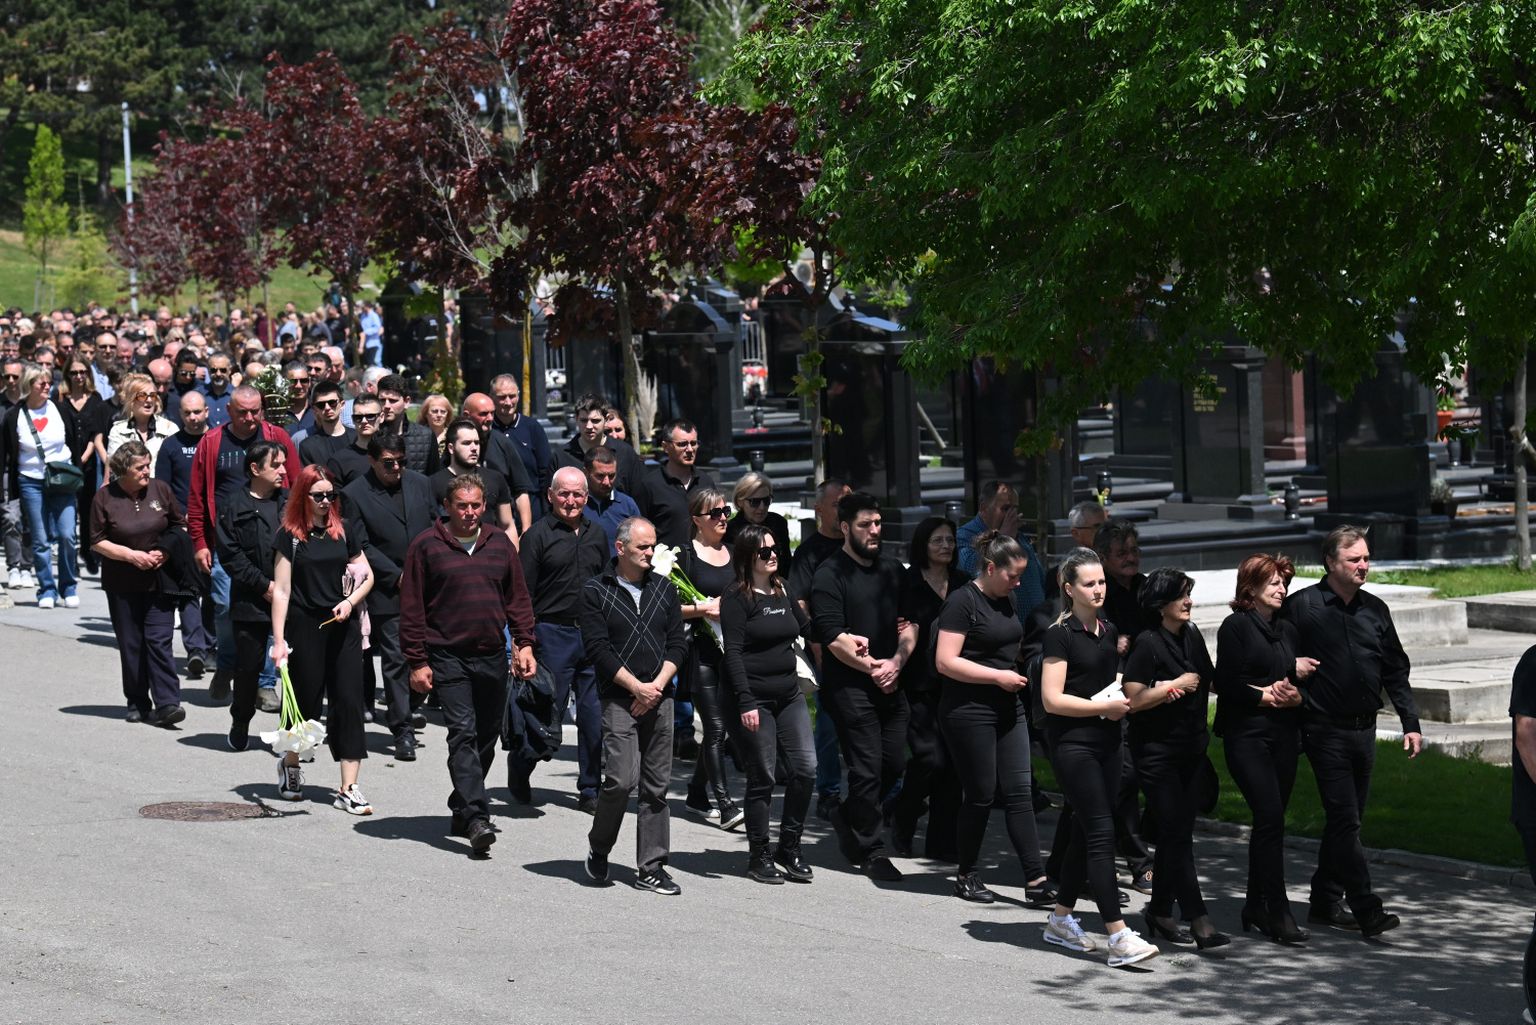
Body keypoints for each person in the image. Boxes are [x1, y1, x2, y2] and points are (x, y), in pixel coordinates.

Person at [1284, 525, 1420, 937]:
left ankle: (1325, 899)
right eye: (1354, 559)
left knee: (1348, 821)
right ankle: (1366, 907)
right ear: (1330, 562)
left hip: (1366, 731)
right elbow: (1273, 656)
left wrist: (1410, 722)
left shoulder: (1375, 609)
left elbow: (1395, 668)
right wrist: (1290, 670)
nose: (1364, 565)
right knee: (1345, 820)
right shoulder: (1301, 608)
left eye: (1365, 558)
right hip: (1323, 730)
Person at [401, 474, 537, 853]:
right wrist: (417, 661)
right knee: (461, 732)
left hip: (492, 655)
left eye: (476, 505)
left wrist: (524, 643)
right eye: (462, 505)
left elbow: (518, 599)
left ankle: (462, 802)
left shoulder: (499, 544)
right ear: (447, 507)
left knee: (486, 737)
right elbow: (411, 610)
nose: (470, 512)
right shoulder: (426, 546)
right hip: (447, 656)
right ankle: (478, 815)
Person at [1038, 547, 1159, 968]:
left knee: (1082, 831)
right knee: (1101, 833)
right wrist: (1101, 709)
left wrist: (1127, 690)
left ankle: (1059, 920)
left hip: (1109, 742)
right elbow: (1052, 700)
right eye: (1089, 583)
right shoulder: (1060, 634)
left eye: (1102, 581)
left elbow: (1102, 682)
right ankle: (1118, 935)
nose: (1098, 589)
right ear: (1068, 589)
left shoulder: (1107, 630)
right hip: (1073, 745)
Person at [935, 529, 1054, 905]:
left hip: (1008, 705)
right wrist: (997, 676)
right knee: (982, 794)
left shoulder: (1007, 597)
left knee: (1020, 792)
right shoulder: (961, 602)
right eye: (1012, 575)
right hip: (969, 710)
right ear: (990, 567)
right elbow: (946, 661)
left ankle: (1036, 880)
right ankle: (966, 873)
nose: (1018, 582)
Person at [811, 491, 915, 881]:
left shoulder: (892, 571)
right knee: (867, 767)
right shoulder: (829, 575)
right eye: (864, 525)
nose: (874, 531)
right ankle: (873, 850)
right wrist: (874, 668)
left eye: (877, 524)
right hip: (849, 686)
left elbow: (911, 625)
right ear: (844, 528)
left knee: (894, 763)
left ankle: (846, 813)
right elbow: (833, 638)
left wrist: (897, 662)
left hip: (891, 678)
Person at [1121, 567, 1228, 949]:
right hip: (1156, 754)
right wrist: (1171, 687)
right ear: (1160, 602)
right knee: (1179, 836)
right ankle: (1198, 919)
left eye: (1189, 594)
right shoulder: (1147, 644)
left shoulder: (1193, 635)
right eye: (1181, 595)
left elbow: (1211, 678)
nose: (1189, 602)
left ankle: (1161, 911)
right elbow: (1133, 699)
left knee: (1175, 834)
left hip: (1191, 751)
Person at [580, 517, 688, 894]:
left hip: (659, 698)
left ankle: (651, 866)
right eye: (643, 547)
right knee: (621, 781)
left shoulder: (665, 589)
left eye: (653, 546)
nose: (650, 553)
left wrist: (655, 688)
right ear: (620, 548)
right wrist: (635, 689)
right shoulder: (596, 590)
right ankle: (599, 846)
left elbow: (678, 643)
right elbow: (598, 650)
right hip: (619, 699)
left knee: (656, 787)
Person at [1215, 553, 1311, 944]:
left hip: (1283, 736)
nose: (1281, 588)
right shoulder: (1235, 627)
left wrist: (1294, 695)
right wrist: (1267, 697)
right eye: (1272, 582)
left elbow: (1291, 681)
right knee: (1270, 816)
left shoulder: (1286, 629)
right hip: (1247, 735)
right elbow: (1226, 683)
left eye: (1283, 582)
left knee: (1270, 823)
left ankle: (1254, 905)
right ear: (1250, 588)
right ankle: (1278, 909)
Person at [270, 464, 375, 814]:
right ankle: (291, 765)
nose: (326, 501)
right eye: (318, 496)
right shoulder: (290, 535)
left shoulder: (342, 531)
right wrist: (280, 640)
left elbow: (368, 577)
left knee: (349, 702)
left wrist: (349, 602)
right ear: (303, 496)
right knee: (304, 702)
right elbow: (282, 591)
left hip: (341, 626)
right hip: (304, 625)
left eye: (331, 495)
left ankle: (349, 786)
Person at [187, 385, 299, 705]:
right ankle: (226, 665)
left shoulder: (278, 438)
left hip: (272, 540)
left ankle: (265, 682)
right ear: (228, 411)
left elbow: (295, 484)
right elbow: (196, 498)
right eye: (242, 412)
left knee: (271, 612)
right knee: (224, 607)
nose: (249, 418)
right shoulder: (212, 443)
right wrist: (199, 541)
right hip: (227, 541)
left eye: (255, 411)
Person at [721, 523, 816, 883]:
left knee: (806, 769)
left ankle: (789, 847)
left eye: (774, 548)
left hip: (789, 694)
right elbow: (732, 655)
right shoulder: (736, 597)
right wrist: (745, 701)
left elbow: (808, 630)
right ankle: (759, 855)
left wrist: (845, 637)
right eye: (764, 552)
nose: (773, 554)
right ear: (748, 557)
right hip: (753, 699)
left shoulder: (782, 588)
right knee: (762, 776)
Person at [515, 467, 609, 810]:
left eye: (578, 495)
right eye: (564, 494)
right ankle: (521, 765)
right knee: (546, 717)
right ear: (551, 496)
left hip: (593, 635)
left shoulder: (597, 534)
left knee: (593, 718)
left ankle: (589, 789)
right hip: (552, 635)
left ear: (586, 497)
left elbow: (606, 586)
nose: (571, 501)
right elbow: (522, 592)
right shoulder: (537, 536)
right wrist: (522, 639)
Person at [342, 433, 439, 762]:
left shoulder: (420, 484)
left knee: (432, 655)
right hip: (389, 589)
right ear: (372, 460)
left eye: (401, 461)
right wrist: (396, 576)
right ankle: (402, 729)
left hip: (430, 586)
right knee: (398, 659)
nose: (396, 468)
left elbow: (435, 525)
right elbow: (361, 544)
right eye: (388, 463)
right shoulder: (354, 493)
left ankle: (410, 706)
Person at [89, 441, 188, 726]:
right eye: (140, 467)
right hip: (122, 583)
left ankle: (168, 703)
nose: (147, 471)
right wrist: (130, 556)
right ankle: (137, 701)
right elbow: (96, 542)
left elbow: (178, 525)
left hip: (160, 580)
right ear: (123, 471)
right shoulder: (104, 498)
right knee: (132, 644)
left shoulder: (161, 489)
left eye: (148, 465)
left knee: (159, 640)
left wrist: (165, 550)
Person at [890, 516, 968, 861]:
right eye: (938, 540)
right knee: (928, 759)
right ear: (923, 545)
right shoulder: (906, 583)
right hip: (918, 685)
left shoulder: (964, 583)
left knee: (952, 767)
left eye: (949, 540)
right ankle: (903, 819)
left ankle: (942, 842)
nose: (945, 546)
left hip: (957, 684)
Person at [1092, 516, 1156, 895]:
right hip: (1112, 697)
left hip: (1152, 694)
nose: (1131, 558)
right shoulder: (1098, 593)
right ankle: (1139, 862)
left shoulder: (1149, 589)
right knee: (1126, 778)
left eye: (1134, 550)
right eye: (1122, 553)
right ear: (1103, 557)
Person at [680, 486, 745, 829]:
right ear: (696, 520)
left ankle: (695, 789)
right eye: (715, 514)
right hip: (700, 653)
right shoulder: (683, 558)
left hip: (732, 654)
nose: (723, 518)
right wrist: (700, 608)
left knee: (726, 729)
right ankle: (726, 803)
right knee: (716, 728)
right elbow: (666, 609)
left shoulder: (735, 554)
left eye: (726, 512)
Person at [216, 440, 287, 751]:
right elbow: (230, 554)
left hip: (292, 598)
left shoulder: (291, 502)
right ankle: (241, 719)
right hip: (251, 600)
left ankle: (293, 732)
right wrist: (264, 586)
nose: (284, 471)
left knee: (296, 669)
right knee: (248, 668)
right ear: (256, 469)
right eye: (277, 465)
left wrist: (285, 588)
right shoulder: (234, 505)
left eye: (284, 464)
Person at [788, 478, 851, 818]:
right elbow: (799, 600)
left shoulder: (858, 544)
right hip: (826, 649)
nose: (845, 509)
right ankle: (828, 791)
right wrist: (816, 645)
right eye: (838, 503)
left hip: (863, 648)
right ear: (820, 509)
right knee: (828, 724)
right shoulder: (809, 552)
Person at [1, 361, 85, 608]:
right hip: (31, 482)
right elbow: (7, 453)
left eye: (50, 381)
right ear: (30, 386)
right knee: (40, 539)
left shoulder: (60, 409)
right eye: (43, 383)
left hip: (62, 480)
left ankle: (68, 585)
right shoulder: (13, 415)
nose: (49, 386)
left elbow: (73, 443)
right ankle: (46, 589)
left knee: (68, 535)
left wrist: (77, 470)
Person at [157, 390, 215, 682]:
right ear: (180, 415)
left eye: (197, 412)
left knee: (215, 590)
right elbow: (162, 490)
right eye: (187, 413)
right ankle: (195, 650)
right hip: (183, 529)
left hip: (216, 527)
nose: (193, 418)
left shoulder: (218, 440)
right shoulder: (171, 446)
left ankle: (212, 644)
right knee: (189, 591)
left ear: (207, 411)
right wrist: (176, 522)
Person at [955, 481, 1046, 619]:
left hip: (1036, 627)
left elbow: (1039, 577)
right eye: (1005, 509)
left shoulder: (1020, 537)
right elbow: (974, 571)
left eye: (1015, 509)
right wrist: (1002, 539)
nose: (1012, 515)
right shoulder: (964, 536)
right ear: (984, 508)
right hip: (1004, 629)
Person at [61, 356, 110, 576]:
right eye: (74, 373)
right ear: (67, 375)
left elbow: (96, 432)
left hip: (88, 464)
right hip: (64, 463)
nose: (79, 377)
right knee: (67, 511)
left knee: (88, 510)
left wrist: (85, 455)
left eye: (82, 372)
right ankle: (70, 557)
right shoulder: (60, 398)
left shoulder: (96, 399)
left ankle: (88, 552)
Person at [633, 418, 716, 550]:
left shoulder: (706, 482)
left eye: (693, 443)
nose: (690, 449)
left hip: (703, 563)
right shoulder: (650, 485)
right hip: (666, 567)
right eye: (682, 444)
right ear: (666, 447)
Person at [431, 420, 519, 540]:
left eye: (476, 443)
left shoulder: (495, 479)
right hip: (451, 554)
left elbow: (508, 526)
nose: (474, 448)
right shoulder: (433, 483)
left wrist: (513, 556)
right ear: (451, 448)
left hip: (489, 552)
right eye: (467, 443)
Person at [460, 392, 534, 530]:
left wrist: (526, 530)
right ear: (466, 415)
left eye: (492, 413)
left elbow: (521, 491)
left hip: (500, 527)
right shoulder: (453, 445)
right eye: (483, 414)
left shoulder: (503, 443)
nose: (489, 418)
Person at [491, 374, 553, 517]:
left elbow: (545, 472)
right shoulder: (487, 429)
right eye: (502, 397)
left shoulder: (532, 427)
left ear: (518, 396)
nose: (507, 402)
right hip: (497, 508)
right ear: (492, 397)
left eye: (512, 396)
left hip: (532, 506)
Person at [377, 374, 442, 477]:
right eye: (382, 400)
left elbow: (434, 477)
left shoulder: (426, 436)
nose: (386, 406)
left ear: (406, 402)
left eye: (393, 400)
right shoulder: (373, 435)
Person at [582, 446, 641, 553]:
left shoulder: (627, 505)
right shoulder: (576, 504)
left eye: (611, 476)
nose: (606, 482)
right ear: (586, 473)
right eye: (600, 476)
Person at [725, 471, 791, 557]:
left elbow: (786, 562)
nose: (762, 507)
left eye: (766, 500)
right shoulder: (730, 531)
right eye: (755, 502)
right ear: (740, 502)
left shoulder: (778, 523)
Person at [324, 393, 383, 486]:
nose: (364, 421)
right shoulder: (340, 460)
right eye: (358, 417)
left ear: (382, 417)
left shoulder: (393, 453)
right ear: (352, 419)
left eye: (370, 416)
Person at [298, 380, 352, 467]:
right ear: (315, 410)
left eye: (332, 403)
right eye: (321, 405)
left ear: (342, 405)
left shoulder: (357, 437)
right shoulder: (308, 447)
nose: (327, 408)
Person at [416, 394, 453, 463]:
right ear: (426, 414)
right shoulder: (417, 436)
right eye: (435, 411)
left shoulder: (452, 436)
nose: (439, 415)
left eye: (443, 412)